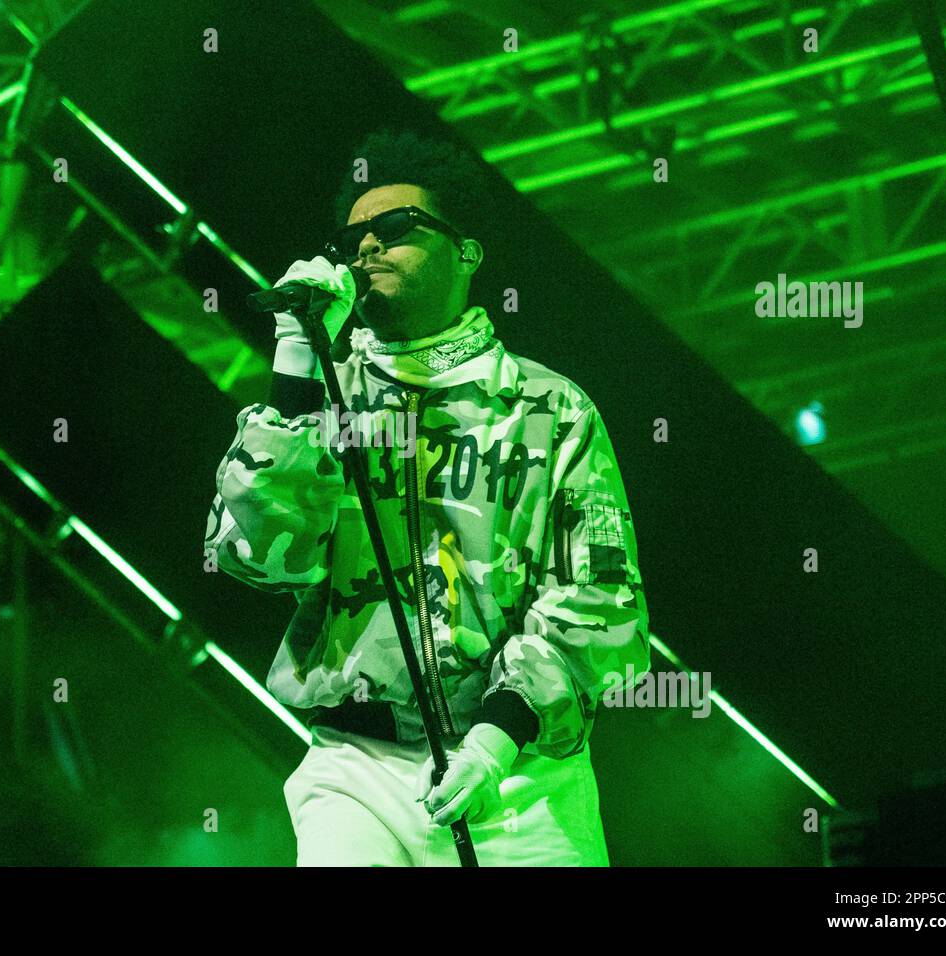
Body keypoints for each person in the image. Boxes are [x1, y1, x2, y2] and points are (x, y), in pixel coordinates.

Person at [204, 129, 650, 866]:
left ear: (466, 251)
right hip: (358, 769)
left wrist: (498, 735)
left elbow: (604, 599)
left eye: (396, 228)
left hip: (523, 775)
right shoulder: (325, 402)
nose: (367, 247)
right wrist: (293, 363)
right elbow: (255, 560)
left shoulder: (549, 406)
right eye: (354, 237)